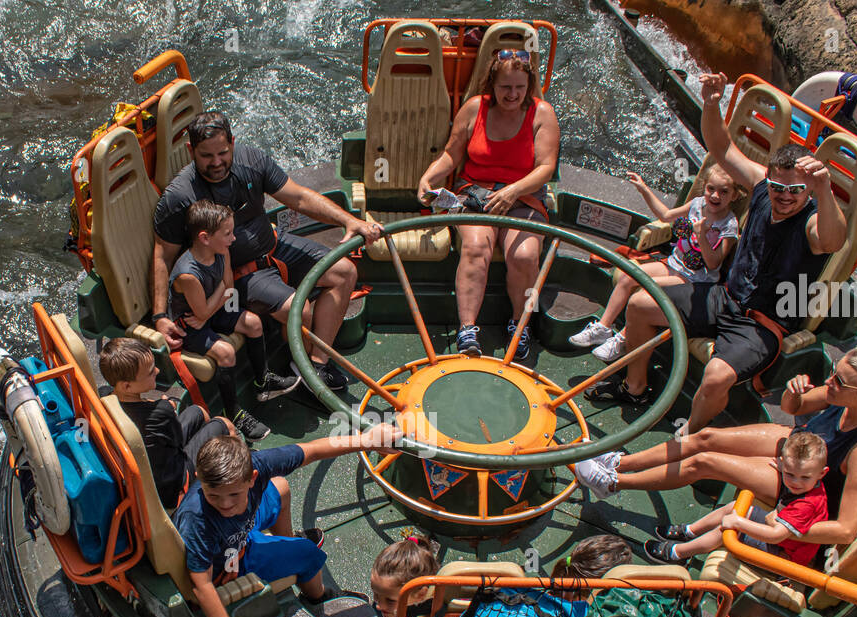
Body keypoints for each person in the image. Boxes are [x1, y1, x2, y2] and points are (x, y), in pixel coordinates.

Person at [587, 72, 847, 435]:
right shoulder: (760, 187)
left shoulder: (812, 223)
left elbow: (834, 241)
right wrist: (711, 102)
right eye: (778, 187)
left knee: (715, 377)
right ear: (768, 180)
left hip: (761, 323)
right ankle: (635, 389)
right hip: (724, 298)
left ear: (808, 190)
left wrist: (825, 189)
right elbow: (722, 147)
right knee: (639, 305)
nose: (785, 196)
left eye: (796, 190)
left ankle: (690, 432)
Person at [577, 346, 857, 547]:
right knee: (703, 437)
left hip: (800, 485)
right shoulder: (840, 396)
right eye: (834, 373)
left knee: (705, 461)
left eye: (839, 380)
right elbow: (793, 409)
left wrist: (785, 526)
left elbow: (846, 530)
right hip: (794, 446)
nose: (830, 381)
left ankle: (612, 483)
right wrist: (793, 393)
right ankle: (620, 463)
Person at [152, 112, 383, 396]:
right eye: (206, 156)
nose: (216, 162)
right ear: (191, 151)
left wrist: (349, 220)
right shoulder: (179, 197)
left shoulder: (252, 161)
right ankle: (304, 370)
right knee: (298, 309)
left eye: (223, 153)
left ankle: (315, 365)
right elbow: (163, 255)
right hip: (238, 276)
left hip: (275, 245)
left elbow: (298, 197)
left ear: (233, 143)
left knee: (345, 272)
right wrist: (160, 315)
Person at [175, 423, 400, 617]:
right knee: (307, 553)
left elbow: (313, 449)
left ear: (252, 478)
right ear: (201, 482)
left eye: (234, 495)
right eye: (213, 496)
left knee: (280, 488)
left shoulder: (259, 465)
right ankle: (318, 598)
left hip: (239, 534)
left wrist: (367, 440)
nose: (225, 505)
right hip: (227, 563)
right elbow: (201, 585)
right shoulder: (198, 519)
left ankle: (285, 547)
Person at [416, 49, 561, 360]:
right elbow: (452, 154)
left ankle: (518, 324)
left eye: (519, 87)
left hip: (523, 198)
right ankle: (467, 328)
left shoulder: (542, 114)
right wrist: (429, 177)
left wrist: (513, 191)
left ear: (529, 85)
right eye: (505, 87)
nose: (512, 94)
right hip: (477, 195)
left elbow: (546, 167)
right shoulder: (474, 109)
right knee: (476, 248)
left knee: (524, 255)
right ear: (492, 85)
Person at [570, 163, 742, 360]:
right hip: (673, 264)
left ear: (734, 196)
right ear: (705, 187)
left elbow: (713, 263)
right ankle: (603, 328)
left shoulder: (729, 225)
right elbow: (666, 216)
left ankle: (623, 339)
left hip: (694, 280)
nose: (715, 196)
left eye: (724, 192)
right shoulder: (696, 204)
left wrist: (702, 236)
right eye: (711, 189)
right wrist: (644, 190)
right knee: (628, 277)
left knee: (647, 290)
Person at [168, 200, 300, 442]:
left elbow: (226, 289)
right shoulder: (188, 274)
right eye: (227, 233)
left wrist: (217, 298)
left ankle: (264, 382)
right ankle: (234, 412)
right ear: (205, 238)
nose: (233, 238)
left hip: (208, 312)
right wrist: (220, 295)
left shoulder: (222, 250)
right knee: (227, 352)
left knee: (254, 323)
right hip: (189, 326)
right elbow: (203, 311)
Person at [643, 431, 828, 565]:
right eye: (789, 473)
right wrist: (784, 468)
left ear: (822, 474)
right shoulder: (805, 481)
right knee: (735, 506)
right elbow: (795, 473)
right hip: (781, 529)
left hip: (784, 554)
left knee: (728, 528)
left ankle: (677, 553)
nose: (795, 482)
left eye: (804, 477)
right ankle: (689, 531)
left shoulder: (807, 504)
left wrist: (738, 523)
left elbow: (775, 536)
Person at [98, 337, 234, 508]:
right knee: (224, 424)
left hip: (147, 467)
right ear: (127, 386)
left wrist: (163, 408)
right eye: (149, 372)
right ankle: (233, 471)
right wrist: (167, 408)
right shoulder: (159, 413)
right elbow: (177, 446)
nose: (157, 370)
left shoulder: (104, 396)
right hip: (172, 485)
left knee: (197, 411)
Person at [370, 534, 440, 617]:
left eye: (391, 601)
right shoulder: (388, 604)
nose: (379, 606)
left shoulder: (434, 613)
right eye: (376, 594)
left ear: (420, 595)